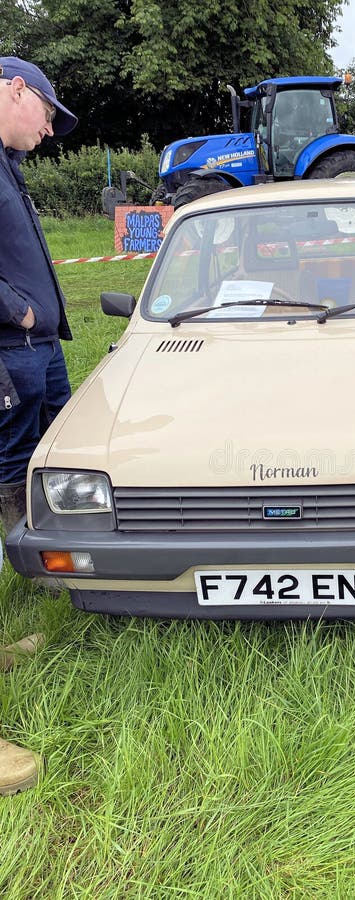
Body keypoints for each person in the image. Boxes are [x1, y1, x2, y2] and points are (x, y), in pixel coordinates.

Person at [0, 56, 77, 795]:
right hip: (6, 353)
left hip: (34, 355)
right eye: (47, 112)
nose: (50, 128)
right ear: (15, 90)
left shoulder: (5, 165)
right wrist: (15, 310)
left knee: (41, 478)